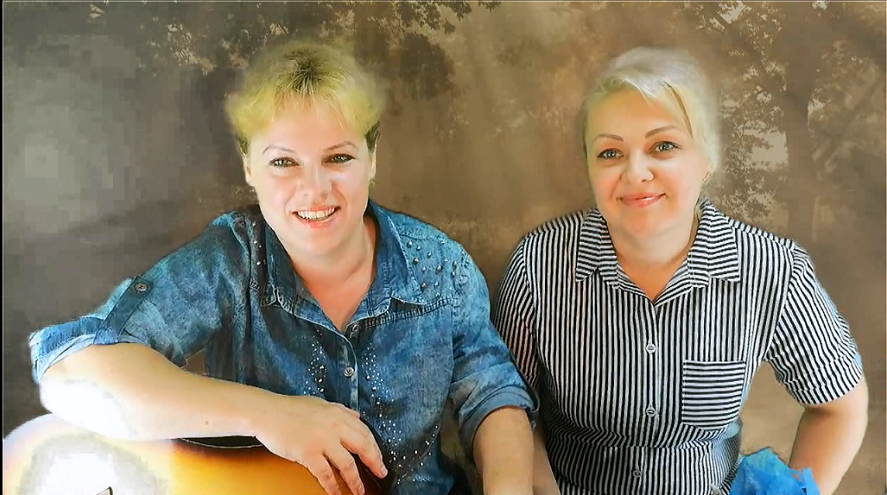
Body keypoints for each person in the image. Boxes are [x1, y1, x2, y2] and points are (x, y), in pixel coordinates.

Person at [27, 39, 537, 495]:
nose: (314, 189)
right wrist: (271, 415)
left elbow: (492, 396)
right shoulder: (231, 261)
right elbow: (69, 370)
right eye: (284, 162)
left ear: (372, 157)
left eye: (338, 158)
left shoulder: (441, 267)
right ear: (249, 167)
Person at [492, 47, 868, 495]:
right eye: (610, 152)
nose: (636, 172)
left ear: (706, 160)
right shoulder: (537, 263)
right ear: (589, 166)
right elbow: (509, 410)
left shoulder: (774, 268)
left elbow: (840, 408)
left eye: (663, 146)